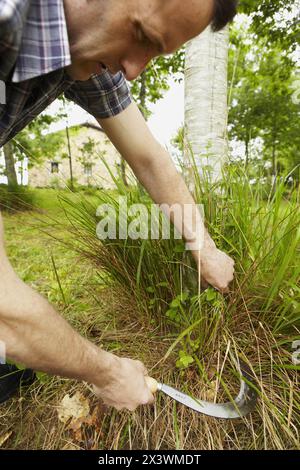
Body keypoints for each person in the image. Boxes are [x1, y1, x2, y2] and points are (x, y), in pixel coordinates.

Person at [0, 0, 237, 411]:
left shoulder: (85, 47)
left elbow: (149, 158)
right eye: (142, 37)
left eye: (153, 53)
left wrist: (204, 246)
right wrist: (105, 371)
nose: (133, 68)